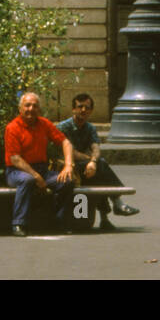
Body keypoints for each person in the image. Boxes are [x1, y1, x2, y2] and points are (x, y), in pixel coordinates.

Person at [56, 93, 138, 229]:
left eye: (87, 108)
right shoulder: (63, 127)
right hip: (67, 166)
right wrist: (92, 161)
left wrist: (93, 162)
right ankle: (114, 206)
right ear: (73, 109)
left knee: (97, 170)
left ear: (91, 111)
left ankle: (107, 215)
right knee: (101, 167)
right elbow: (71, 152)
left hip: (84, 166)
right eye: (80, 107)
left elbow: (96, 148)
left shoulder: (90, 128)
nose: (83, 110)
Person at [4, 92, 74, 237]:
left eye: (35, 106)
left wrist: (68, 165)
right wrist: (35, 175)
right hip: (16, 171)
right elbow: (15, 159)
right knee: (27, 180)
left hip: (42, 170)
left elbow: (65, 142)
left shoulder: (44, 124)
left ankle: (60, 221)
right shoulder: (12, 128)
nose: (31, 109)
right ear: (20, 108)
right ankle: (18, 223)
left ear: (39, 109)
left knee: (67, 181)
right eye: (27, 105)